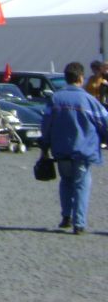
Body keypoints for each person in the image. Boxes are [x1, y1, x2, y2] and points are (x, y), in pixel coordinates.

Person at [40, 61, 108, 234]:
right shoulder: (88, 100)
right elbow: (104, 121)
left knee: (66, 182)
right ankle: (79, 223)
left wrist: (45, 145)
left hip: (61, 148)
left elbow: (46, 124)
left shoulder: (56, 98)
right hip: (83, 149)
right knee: (81, 185)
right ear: (80, 77)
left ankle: (66, 216)